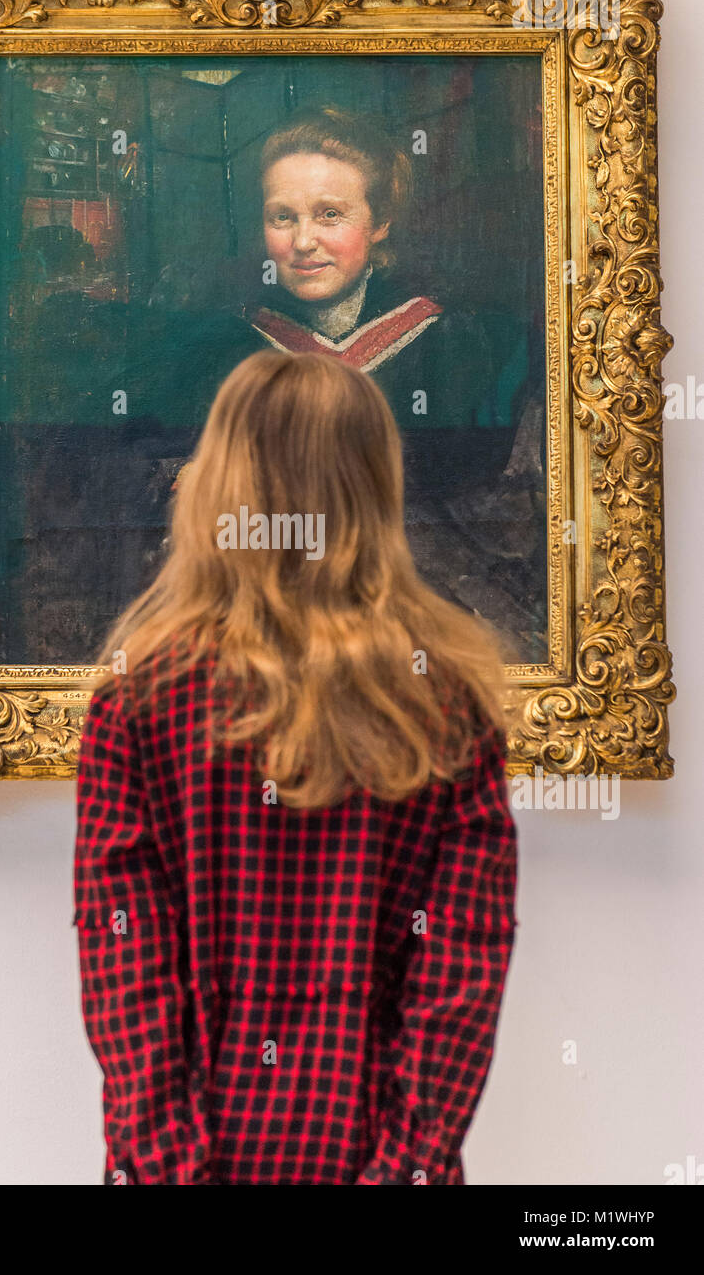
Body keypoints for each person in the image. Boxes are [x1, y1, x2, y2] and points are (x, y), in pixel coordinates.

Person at [73, 347, 519, 1185]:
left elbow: (124, 963)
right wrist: (403, 1170)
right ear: (373, 489)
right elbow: (459, 972)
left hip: (186, 1165)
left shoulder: (137, 703)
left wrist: (172, 1168)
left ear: (218, 486)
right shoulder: (449, 702)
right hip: (371, 1162)